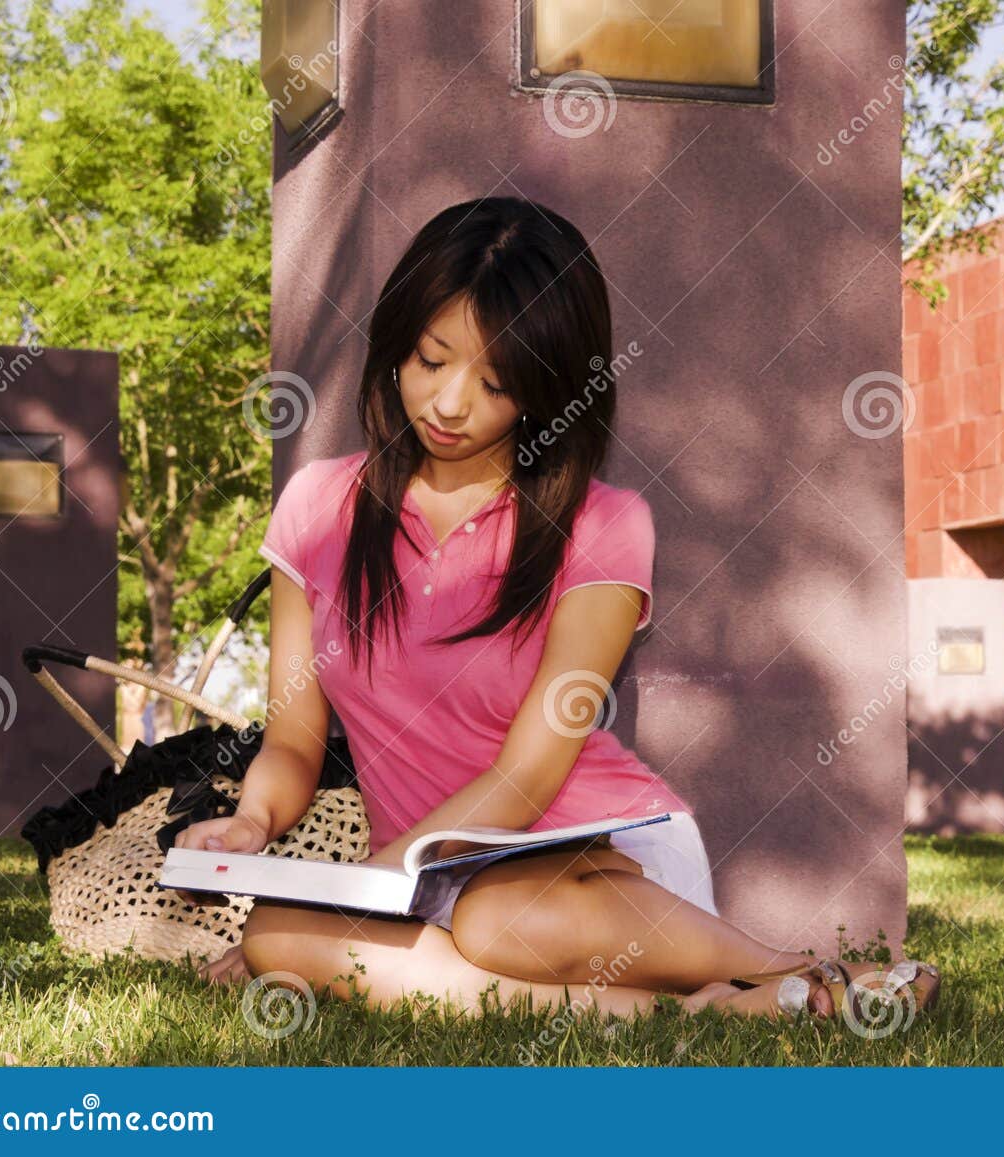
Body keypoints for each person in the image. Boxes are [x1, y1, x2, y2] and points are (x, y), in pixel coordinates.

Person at [177, 196, 939, 1023]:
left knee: (499, 916)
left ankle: (795, 968)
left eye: (496, 381)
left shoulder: (603, 526)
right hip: (422, 873)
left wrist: (370, 887)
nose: (449, 403)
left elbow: (527, 775)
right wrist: (252, 823)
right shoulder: (318, 507)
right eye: (431, 360)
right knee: (279, 932)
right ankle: (693, 1012)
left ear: (548, 391)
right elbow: (293, 736)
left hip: (586, 859)